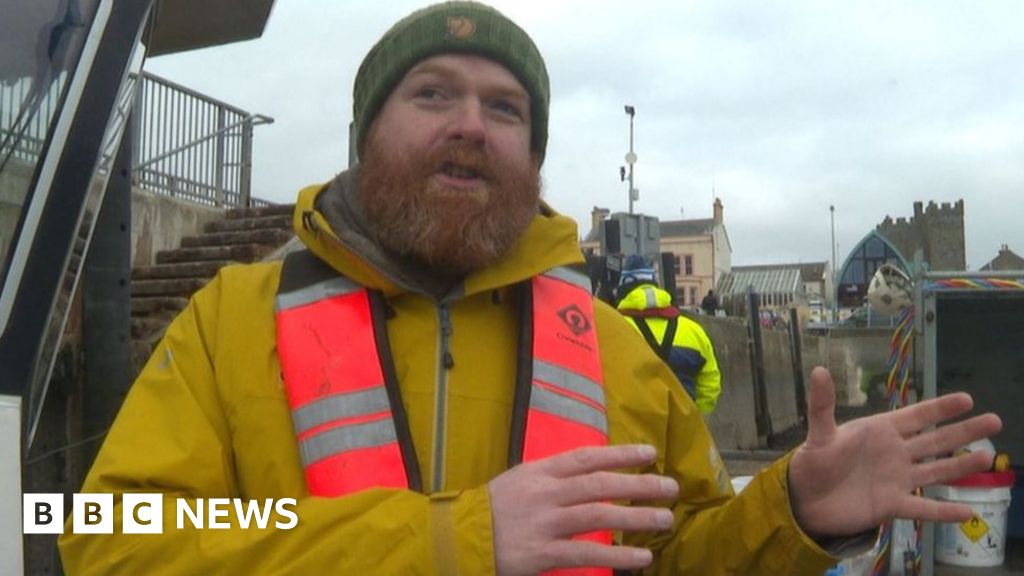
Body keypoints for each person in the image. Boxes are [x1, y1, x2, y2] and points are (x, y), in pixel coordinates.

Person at [59, 3, 1001, 574]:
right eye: (431, 94)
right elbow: (114, 539)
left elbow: (676, 561)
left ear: (534, 158)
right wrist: (454, 544)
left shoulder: (614, 350)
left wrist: (788, 513)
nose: (470, 124)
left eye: (504, 109)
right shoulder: (230, 324)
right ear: (364, 137)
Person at [615, 256, 722, 414]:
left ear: (623, 291)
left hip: (633, 430)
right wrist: (694, 418)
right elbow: (710, 384)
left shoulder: (613, 329)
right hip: (682, 429)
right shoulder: (694, 331)